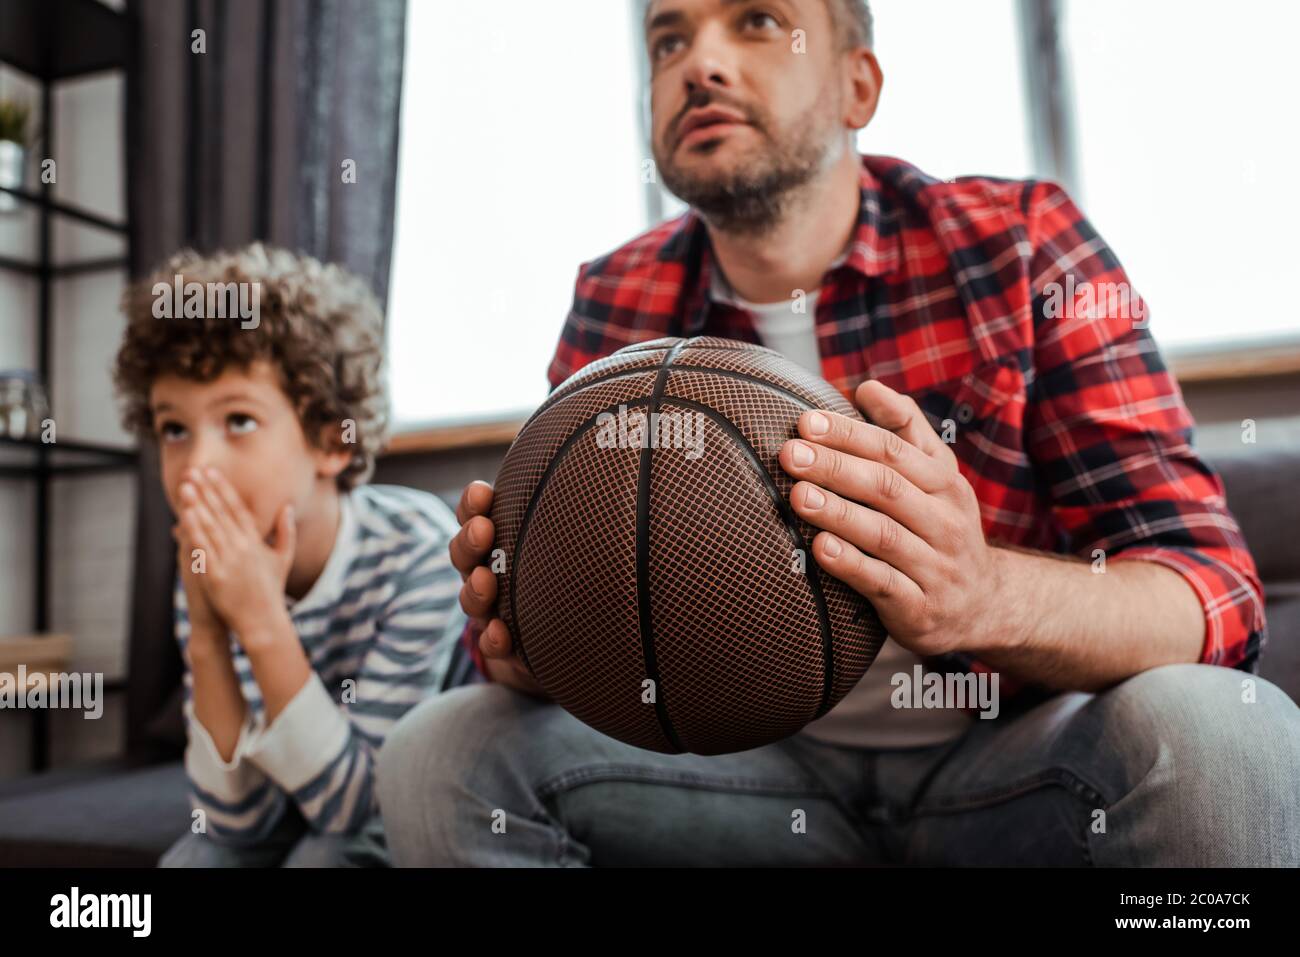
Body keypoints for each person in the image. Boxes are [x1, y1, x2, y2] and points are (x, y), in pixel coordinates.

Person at [377, 0, 1299, 865]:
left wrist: (982, 595)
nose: (699, 63)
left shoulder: (1020, 243)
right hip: (745, 771)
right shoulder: (618, 297)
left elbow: (1210, 594)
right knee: (441, 751)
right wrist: (534, 641)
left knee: (1221, 732)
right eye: (667, 40)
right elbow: (523, 671)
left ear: (859, 84)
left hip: (1014, 756)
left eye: (758, 21)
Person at [113, 243, 461, 866]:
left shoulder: (418, 552)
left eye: (239, 421)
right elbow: (230, 823)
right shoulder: (208, 560)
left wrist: (261, 622)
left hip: (396, 805)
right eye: (173, 429)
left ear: (331, 440)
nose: (196, 467)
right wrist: (208, 637)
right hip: (301, 797)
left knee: (325, 859)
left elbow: (354, 810)